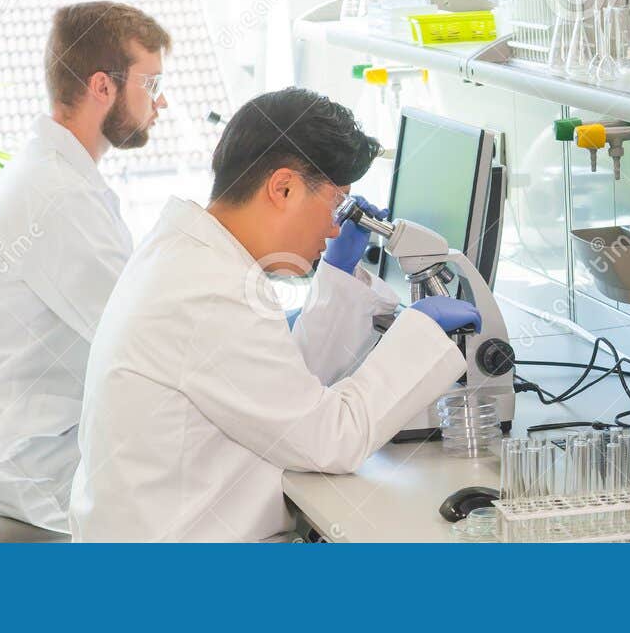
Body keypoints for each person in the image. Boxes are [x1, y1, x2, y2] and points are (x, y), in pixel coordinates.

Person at [69, 88, 477, 542]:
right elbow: (332, 439)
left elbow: (283, 390)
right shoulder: (210, 294)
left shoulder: (185, 254)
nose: (334, 227)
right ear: (282, 188)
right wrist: (418, 332)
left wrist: (338, 280)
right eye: (335, 204)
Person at [0, 1, 171, 533]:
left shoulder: (57, 175)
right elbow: (138, 336)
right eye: (151, 86)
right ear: (102, 87)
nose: (161, 103)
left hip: (42, 442)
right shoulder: (55, 196)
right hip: (38, 464)